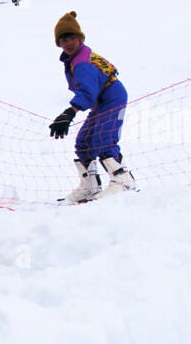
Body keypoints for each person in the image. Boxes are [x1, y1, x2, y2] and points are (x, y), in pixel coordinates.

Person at [48, 11, 137, 203]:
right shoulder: (75, 59)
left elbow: (88, 92)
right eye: (64, 39)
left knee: (103, 139)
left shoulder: (82, 63)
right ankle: (90, 187)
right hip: (101, 100)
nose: (69, 43)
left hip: (111, 98)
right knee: (83, 142)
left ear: (80, 38)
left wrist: (69, 112)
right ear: (58, 43)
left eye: (72, 37)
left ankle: (123, 181)